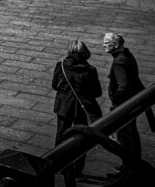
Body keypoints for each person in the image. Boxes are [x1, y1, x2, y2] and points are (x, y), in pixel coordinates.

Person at [52, 40, 103, 181]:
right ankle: (77, 171)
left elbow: (55, 86)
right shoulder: (90, 70)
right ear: (85, 53)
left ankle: (59, 165)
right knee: (81, 139)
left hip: (64, 106)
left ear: (69, 51)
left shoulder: (61, 66)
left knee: (61, 135)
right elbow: (97, 92)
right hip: (82, 108)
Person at [103, 32, 145, 174]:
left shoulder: (119, 61)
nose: (103, 45)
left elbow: (123, 86)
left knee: (125, 137)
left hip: (122, 105)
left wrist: (115, 100)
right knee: (131, 135)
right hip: (130, 102)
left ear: (115, 45)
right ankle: (132, 166)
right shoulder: (126, 55)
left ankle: (128, 169)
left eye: (106, 43)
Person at [63, 126, 155, 186]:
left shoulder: (143, 170)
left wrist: (85, 129)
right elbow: (114, 147)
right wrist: (86, 129)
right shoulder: (144, 170)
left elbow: (113, 147)